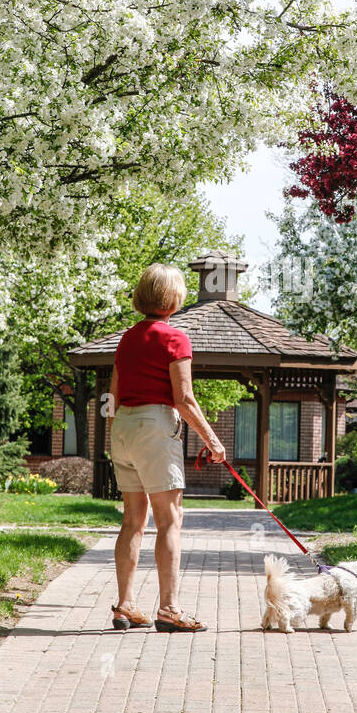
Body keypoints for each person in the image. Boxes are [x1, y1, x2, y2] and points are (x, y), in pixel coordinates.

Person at [105, 263, 226, 632]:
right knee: (170, 519)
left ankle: (125, 605)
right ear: (173, 298)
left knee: (132, 520)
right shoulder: (175, 338)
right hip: (155, 427)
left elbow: (112, 394)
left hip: (122, 426)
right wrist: (213, 439)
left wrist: (116, 433)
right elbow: (184, 399)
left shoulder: (127, 338)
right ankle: (170, 610)